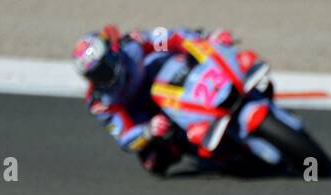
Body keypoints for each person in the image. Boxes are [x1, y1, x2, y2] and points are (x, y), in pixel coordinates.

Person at [71, 24, 246, 175]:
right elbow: (125, 138)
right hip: (151, 113)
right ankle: (211, 150)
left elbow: (172, 36)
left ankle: (239, 78)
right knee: (154, 162)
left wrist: (206, 37)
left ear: (113, 52)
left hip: (173, 77)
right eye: (96, 75)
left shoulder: (134, 42)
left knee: (214, 51)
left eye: (104, 67)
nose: (103, 76)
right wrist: (148, 131)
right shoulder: (100, 102)